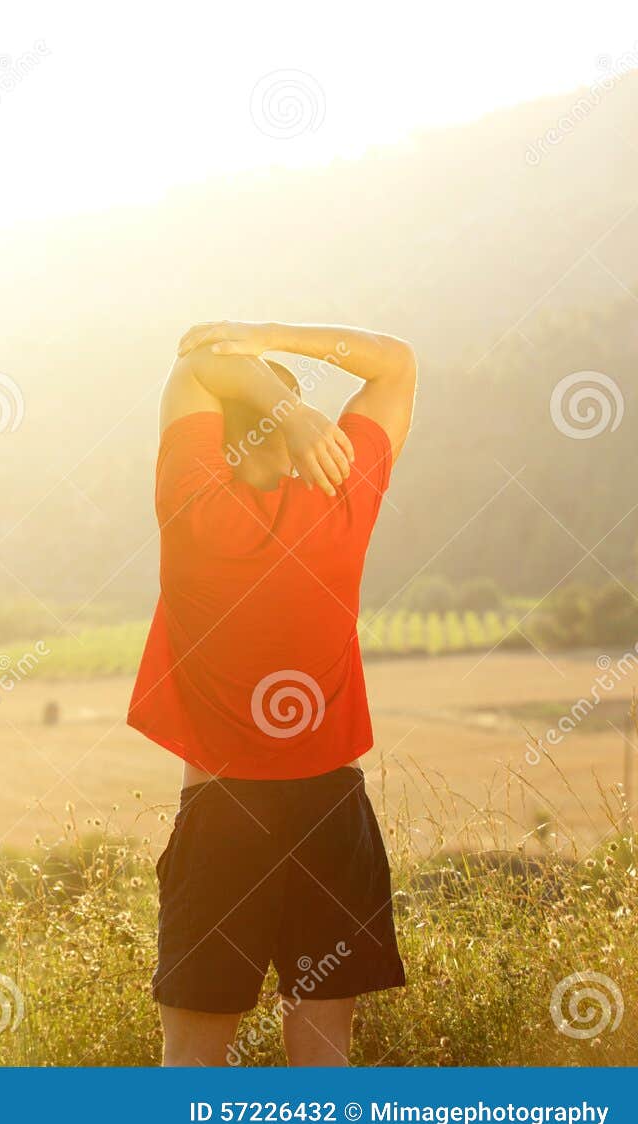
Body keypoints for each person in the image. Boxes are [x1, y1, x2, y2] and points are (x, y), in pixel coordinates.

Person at [127, 320, 419, 1066]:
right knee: (323, 1062)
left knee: (191, 1066)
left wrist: (278, 401)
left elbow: (194, 364)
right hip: (331, 811)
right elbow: (396, 364)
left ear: (215, 441)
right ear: (292, 442)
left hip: (224, 814)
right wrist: (271, 341)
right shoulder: (343, 497)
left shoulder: (191, 509)